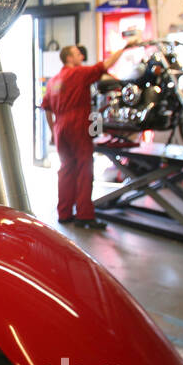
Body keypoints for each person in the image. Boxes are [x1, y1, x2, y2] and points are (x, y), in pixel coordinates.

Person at [41, 39, 140, 229]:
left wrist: (53, 129)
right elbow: (106, 65)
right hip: (77, 123)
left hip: (60, 126)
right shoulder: (78, 73)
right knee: (84, 168)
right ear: (69, 57)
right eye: (78, 54)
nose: (82, 57)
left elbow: (46, 108)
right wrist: (125, 48)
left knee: (66, 169)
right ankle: (85, 215)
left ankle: (64, 213)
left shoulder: (54, 81)